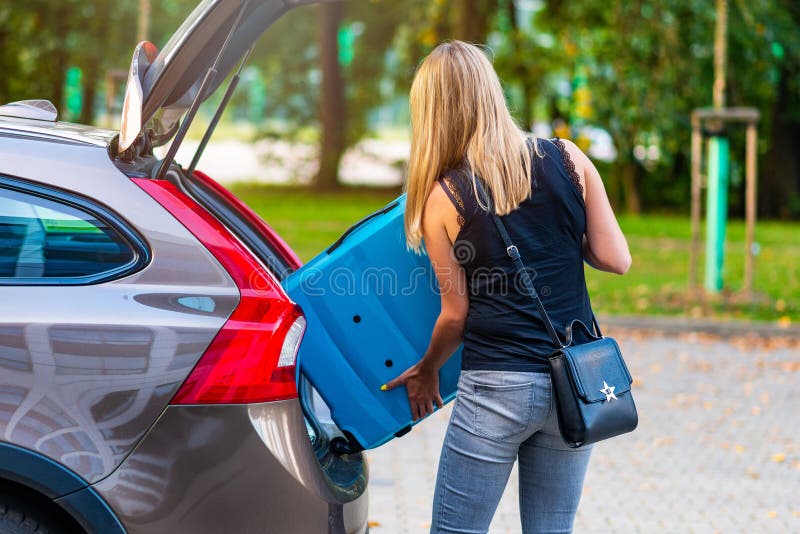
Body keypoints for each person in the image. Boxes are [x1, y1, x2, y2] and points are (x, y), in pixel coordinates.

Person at [382, 41, 631, 533]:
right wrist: (554, 236)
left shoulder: (443, 199)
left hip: (497, 388)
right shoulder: (569, 158)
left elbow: (455, 316)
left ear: (433, 113)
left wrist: (427, 370)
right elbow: (615, 258)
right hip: (573, 384)